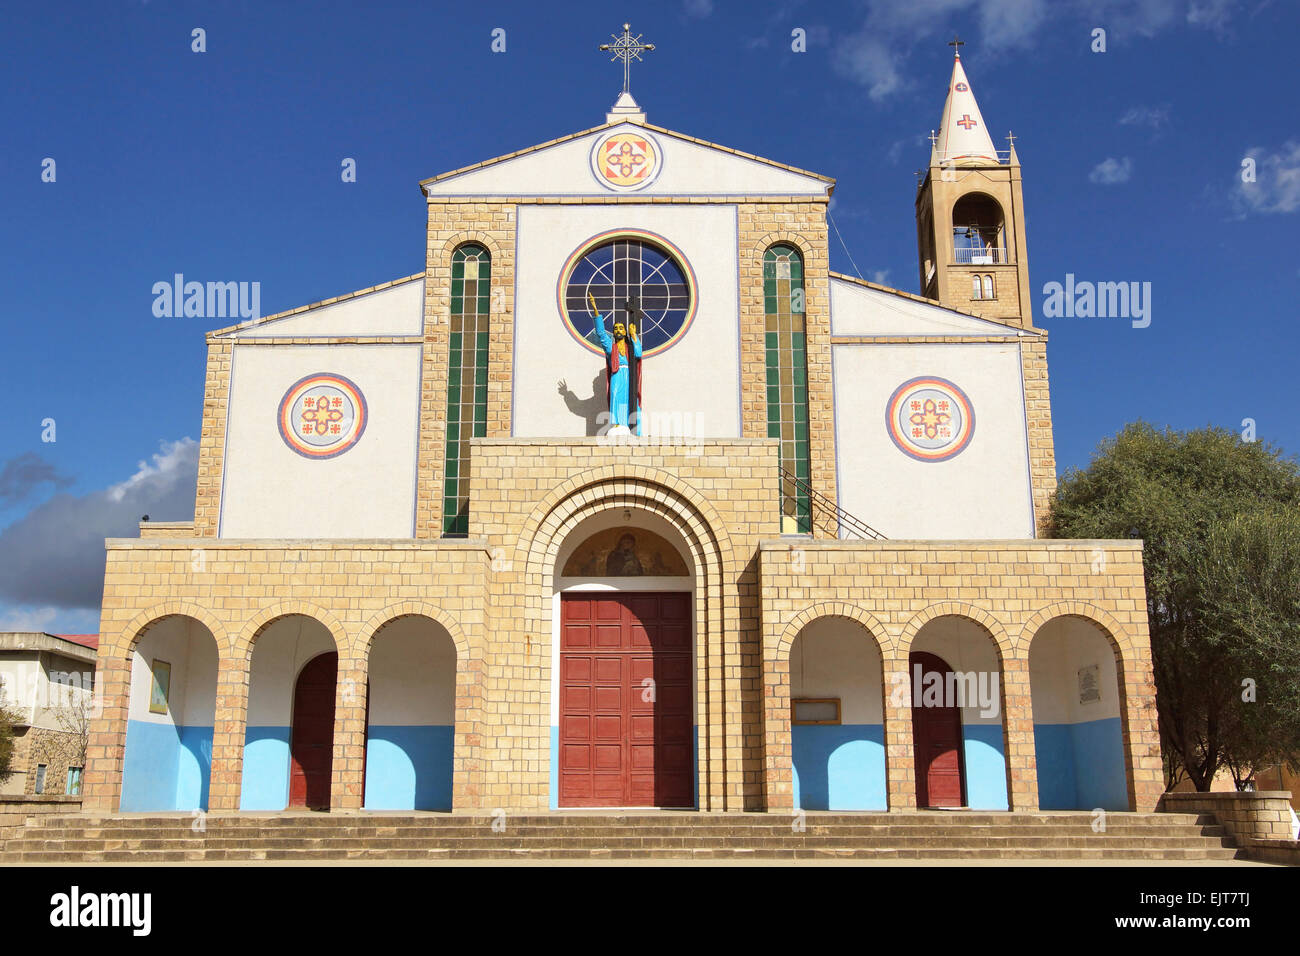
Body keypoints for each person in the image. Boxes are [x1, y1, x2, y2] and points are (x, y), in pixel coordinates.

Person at [588, 291, 642, 434]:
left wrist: (634, 335)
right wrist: (595, 309)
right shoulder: (610, 347)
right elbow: (600, 333)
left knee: (627, 398)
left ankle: (626, 424)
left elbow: (638, 353)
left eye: (621, 328)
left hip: (629, 375)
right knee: (616, 395)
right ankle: (617, 424)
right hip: (617, 375)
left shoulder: (630, 346)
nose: (618, 330)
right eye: (616, 328)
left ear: (625, 332)